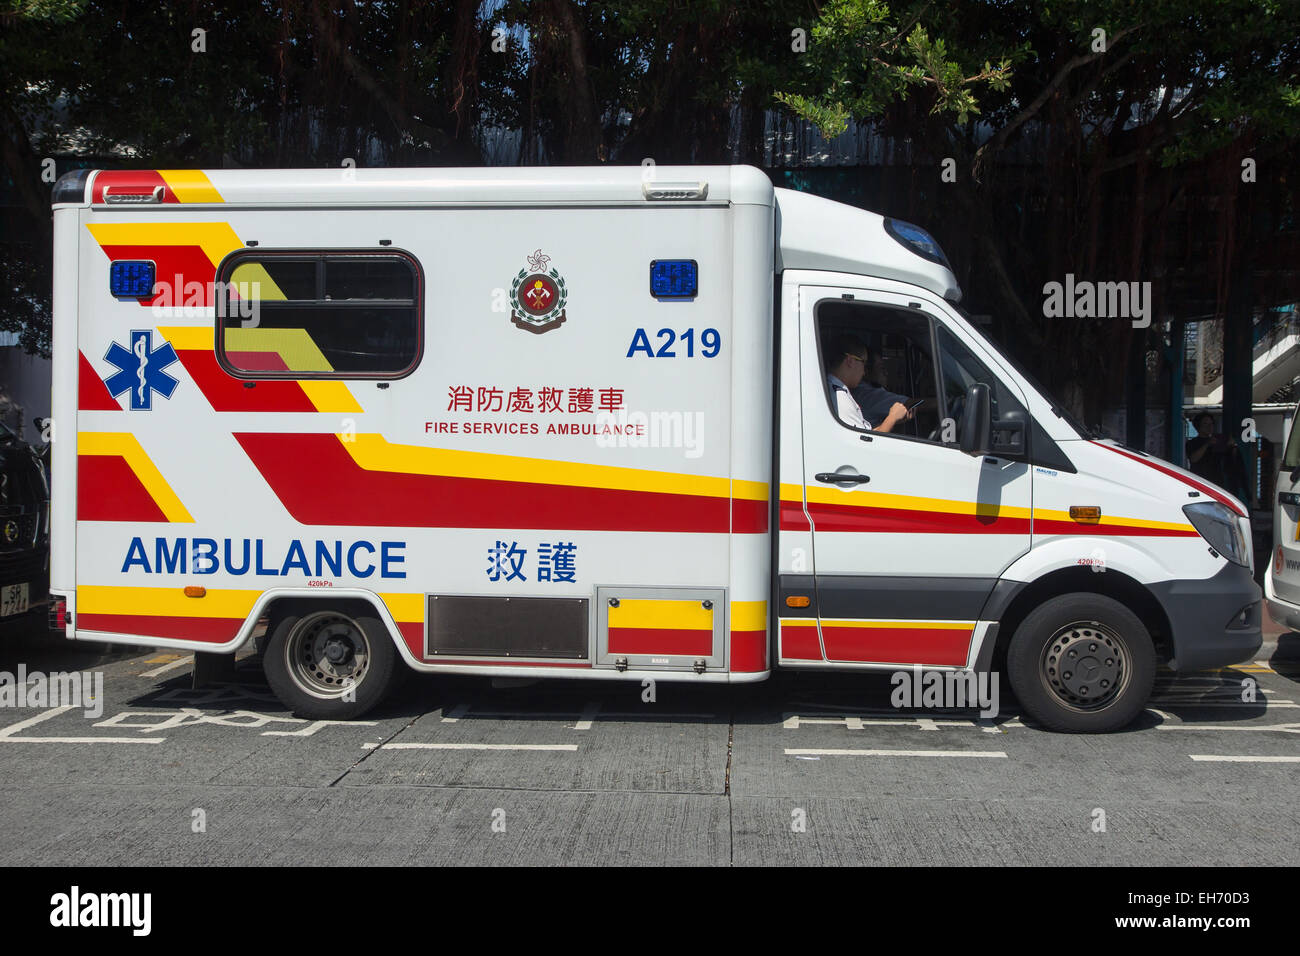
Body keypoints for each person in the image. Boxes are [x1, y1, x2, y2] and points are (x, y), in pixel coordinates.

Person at [825, 334, 909, 432]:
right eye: (863, 363)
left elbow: (867, 434)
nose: (864, 372)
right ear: (850, 361)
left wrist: (893, 420)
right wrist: (892, 417)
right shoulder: (838, 397)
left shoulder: (835, 389)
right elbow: (862, 443)